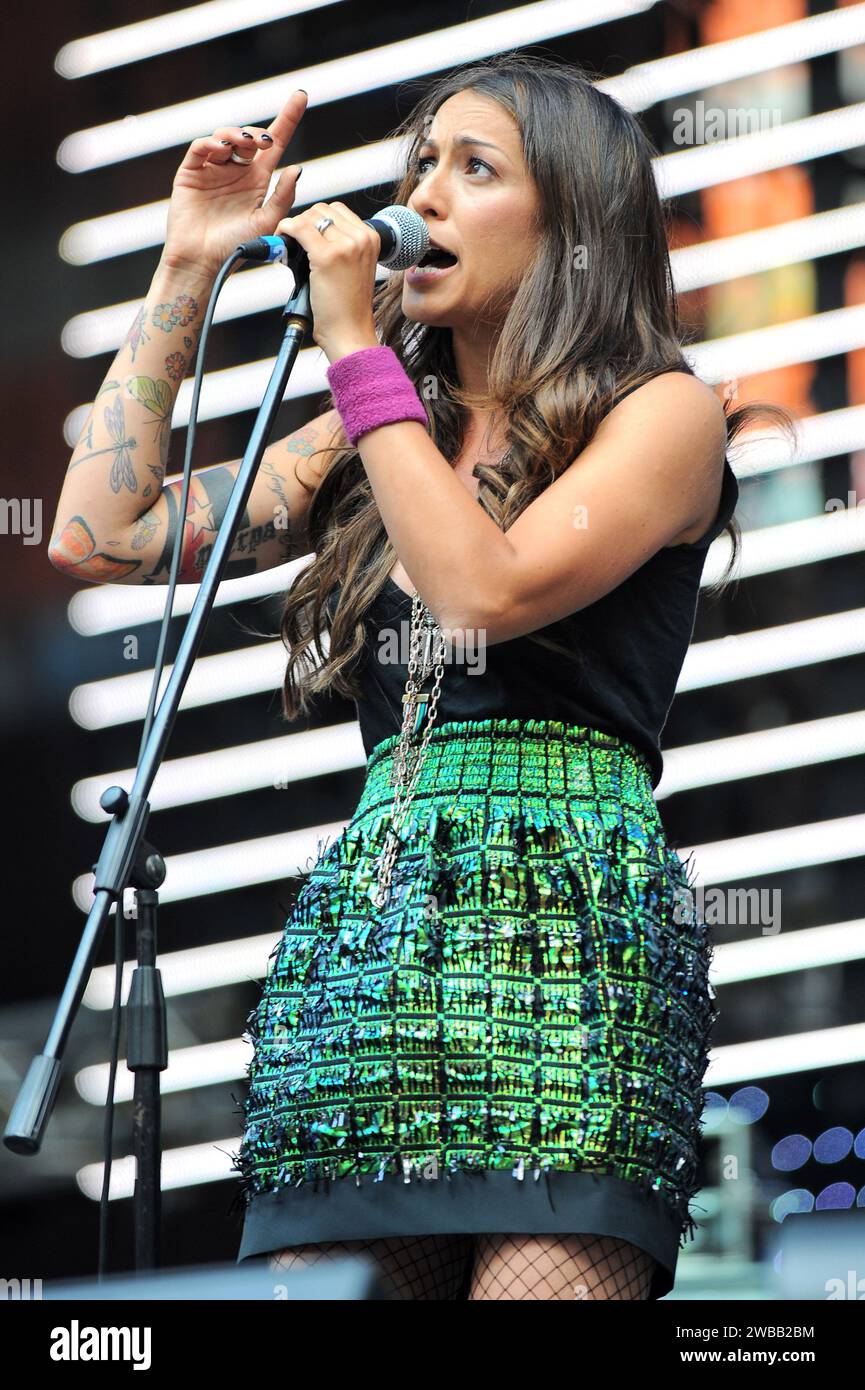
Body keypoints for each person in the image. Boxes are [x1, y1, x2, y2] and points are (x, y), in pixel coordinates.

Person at [50, 53, 791, 1301]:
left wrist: (354, 348)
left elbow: (480, 591)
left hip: (566, 944)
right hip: (379, 942)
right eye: (420, 166)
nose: (424, 198)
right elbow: (100, 531)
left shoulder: (663, 413)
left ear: (571, 225)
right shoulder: (382, 420)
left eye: (474, 168)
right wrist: (186, 262)